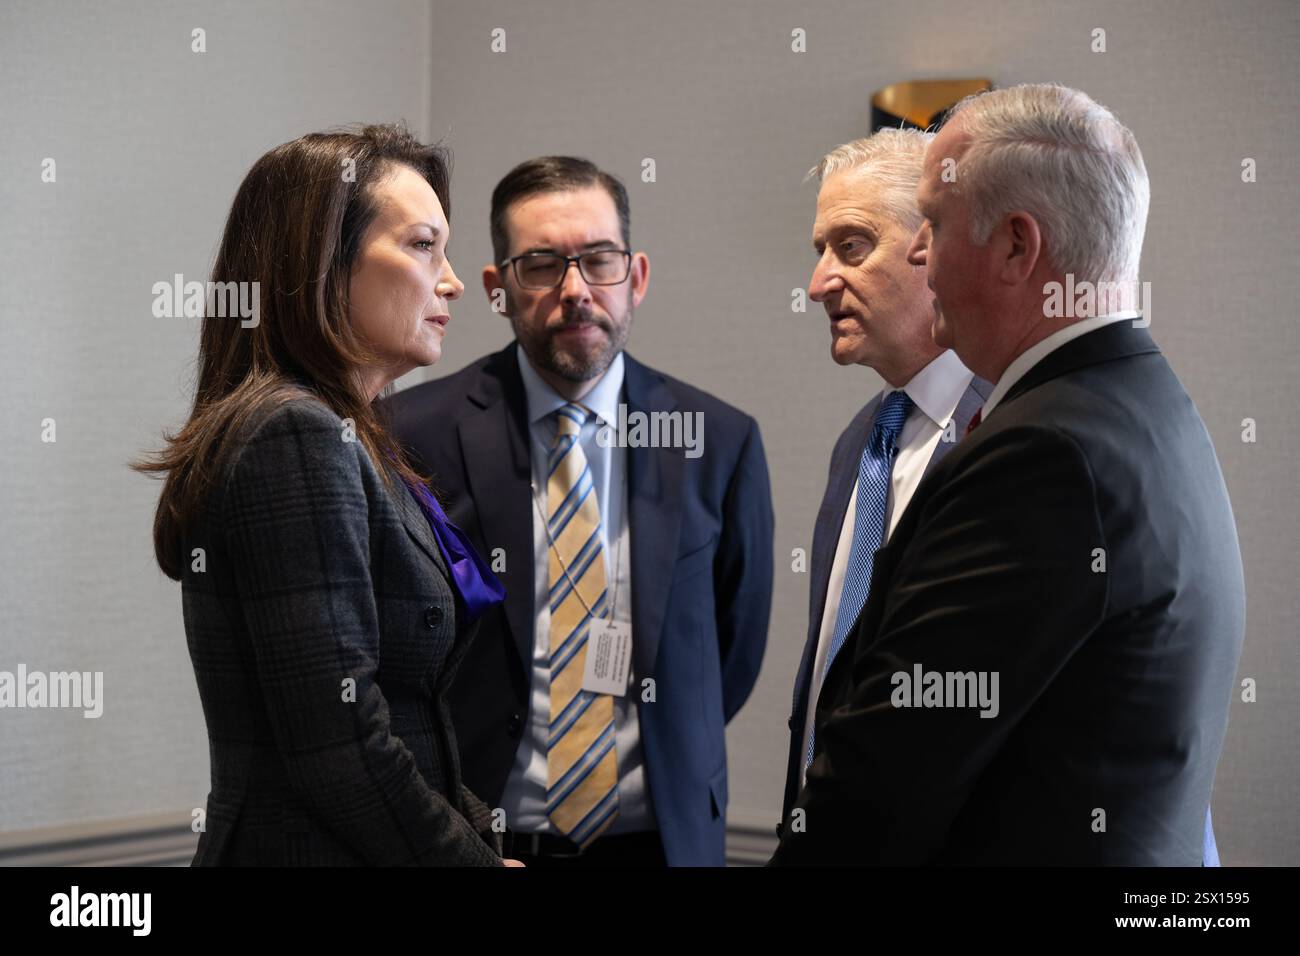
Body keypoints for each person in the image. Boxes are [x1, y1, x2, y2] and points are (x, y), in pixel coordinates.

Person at [771, 84, 1244, 865]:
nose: (925, 254)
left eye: (936, 227)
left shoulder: (1038, 453)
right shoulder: (1147, 401)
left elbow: (889, 775)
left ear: (1017, 247)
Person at [135, 123, 518, 866]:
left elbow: (412, 727)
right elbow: (339, 748)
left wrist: (482, 839)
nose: (453, 280)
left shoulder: (350, 434)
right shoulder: (294, 434)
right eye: (421, 246)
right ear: (322, 263)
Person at [387, 156, 774, 866]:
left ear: (637, 276)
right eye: (540, 266)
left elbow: (734, 649)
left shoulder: (717, 439)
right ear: (498, 290)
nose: (575, 291)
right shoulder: (412, 435)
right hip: (481, 844)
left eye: (598, 261)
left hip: (662, 845)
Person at [778, 129, 989, 838]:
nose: (818, 284)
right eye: (819, 252)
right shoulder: (858, 442)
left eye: (852, 245)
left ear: (934, 247)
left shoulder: (1012, 436)